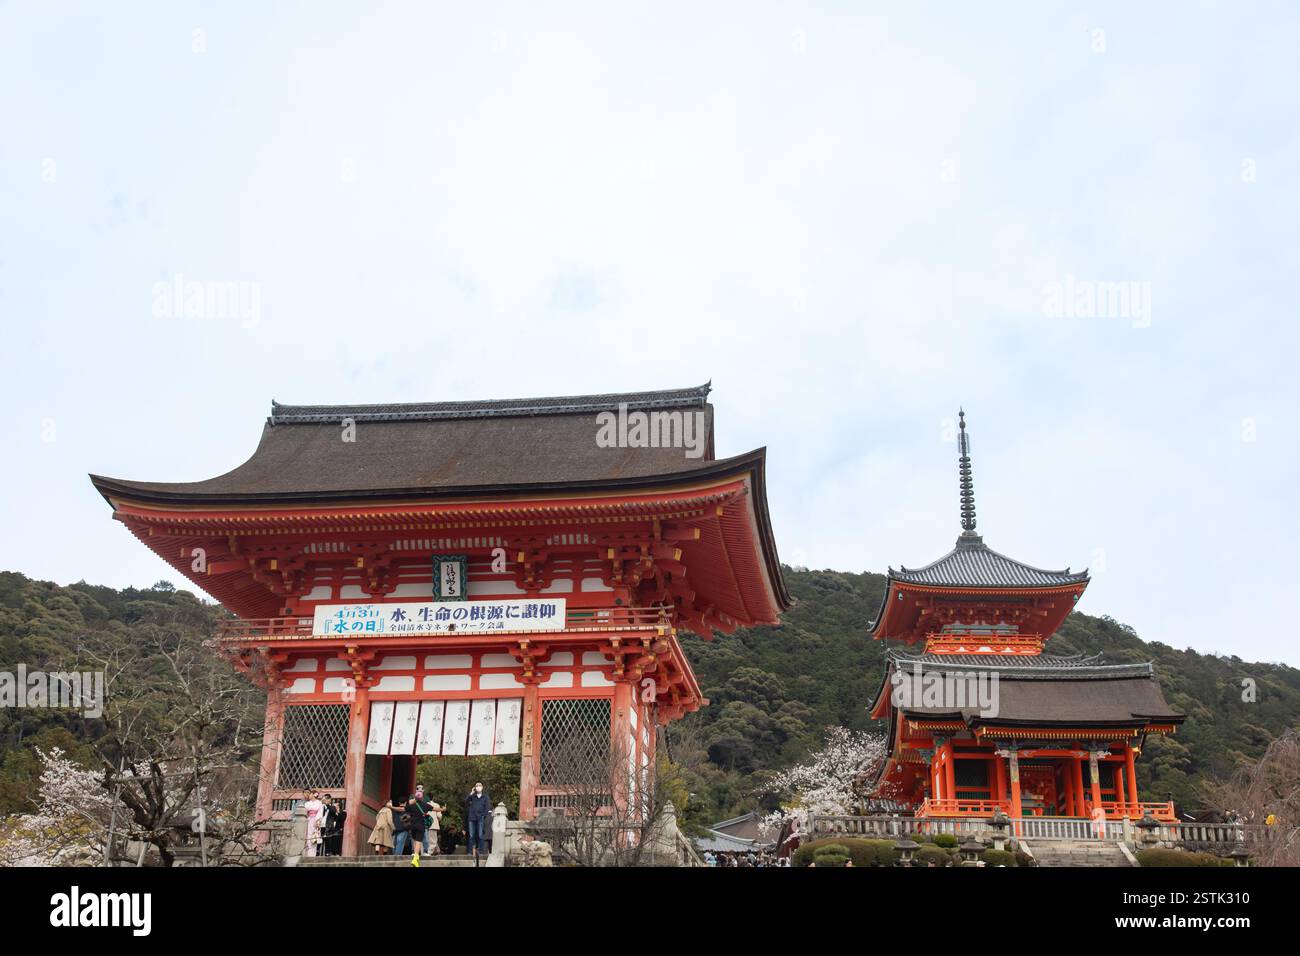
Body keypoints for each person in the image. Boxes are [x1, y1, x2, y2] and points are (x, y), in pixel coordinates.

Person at [465, 781, 492, 865]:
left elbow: (487, 807)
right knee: (471, 835)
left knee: (480, 835)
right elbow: (466, 802)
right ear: (475, 787)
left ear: (482, 787)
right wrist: (471, 793)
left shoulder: (485, 797)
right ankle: (469, 852)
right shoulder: (472, 796)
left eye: (480, 785)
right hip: (472, 818)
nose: (478, 787)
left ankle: (481, 851)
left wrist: (483, 815)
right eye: (477, 786)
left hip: (480, 818)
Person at [403, 792, 429, 857]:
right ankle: (417, 852)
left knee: (420, 838)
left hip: (417, 825)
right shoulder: (411, 806)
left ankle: (422, 851)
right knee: (416, 839)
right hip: (417, 825)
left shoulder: (422, 805)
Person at [302, 790, 324, 857]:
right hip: (308, 820)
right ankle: (306, 853)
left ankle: (312, 855)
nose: (309, 795)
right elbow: (305, 811)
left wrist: (318, 821)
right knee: (307, 836)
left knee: (313, 837)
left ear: (314, 795)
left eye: (311, 794)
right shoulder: (307, 803)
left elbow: (320, 813)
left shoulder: (319, 803)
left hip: (315, 820)